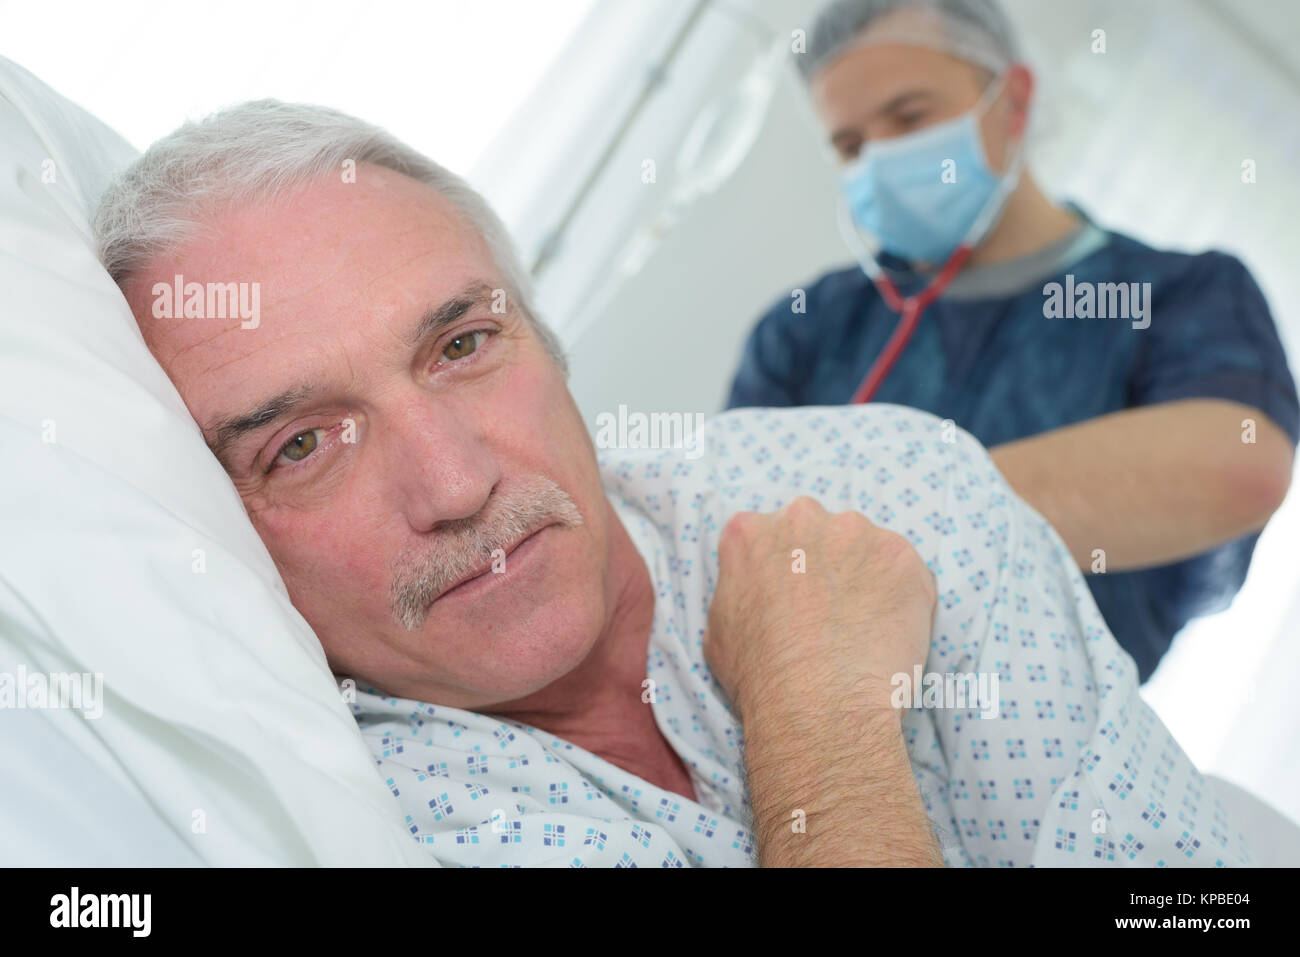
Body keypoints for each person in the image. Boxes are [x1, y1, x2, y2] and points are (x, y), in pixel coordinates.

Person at [93, 100, 1252, 867]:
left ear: (548, 342)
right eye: (300, 445)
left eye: (461, 347)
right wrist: (821, 720)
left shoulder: (877, 484)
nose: (455, 483)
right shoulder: (365, 814)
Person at [726, 0, 1298, 681]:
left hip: (1046, 764)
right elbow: (726, 547)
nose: (882, 160)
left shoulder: (1180, 296)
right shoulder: (807, 327)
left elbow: (1236, 468)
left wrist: (861, 523)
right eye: (851, 146)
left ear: (1014, 102)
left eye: (911, 117)